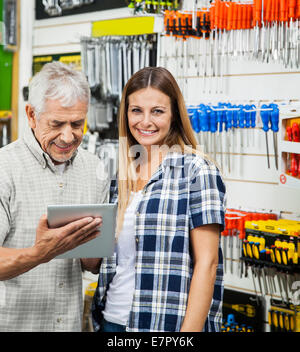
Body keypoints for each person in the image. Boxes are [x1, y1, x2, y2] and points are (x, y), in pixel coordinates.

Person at [91, 67, 226, 332]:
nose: (145, 121)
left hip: (165, 326)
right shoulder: (124, 174)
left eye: (157, 111)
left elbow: (207, 264)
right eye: (136, 110)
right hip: (112, 321)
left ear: (174, 114)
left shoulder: (197, 170)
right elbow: (112, 260)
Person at [0, 61, 109, 331]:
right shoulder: (4, 169)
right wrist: (40, 253)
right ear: (31, 115)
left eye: (77, 123)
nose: (68, 136)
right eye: (57, 123)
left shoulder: (95, 169)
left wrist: (98, 251)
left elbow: (92, 264)